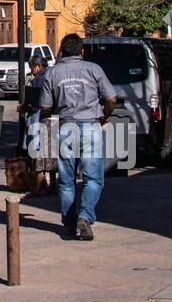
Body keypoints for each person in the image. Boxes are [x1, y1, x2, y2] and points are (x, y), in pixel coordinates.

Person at [39, 33, 117, 241]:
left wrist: (52, 115)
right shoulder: (94, 69)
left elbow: (45, 106)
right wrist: (104, 116)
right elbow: (112, 98)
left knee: (66, 180)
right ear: (82, 51)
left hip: (66, 127)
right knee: (93, 179)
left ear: (62, 52)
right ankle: (85, 215)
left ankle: (70, 222)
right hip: (90, 125)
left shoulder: (52, 73)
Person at [20, 54, 54, 191]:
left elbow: (35, 100)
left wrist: (25, 107)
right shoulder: (52, 74)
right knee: (51, 151)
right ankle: (52, 184)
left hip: (38, 116)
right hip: (52, 117)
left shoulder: (39, 78)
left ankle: (40, 185)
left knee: (37, 150)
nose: (31, 71)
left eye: (31, 68)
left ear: (38, 66)